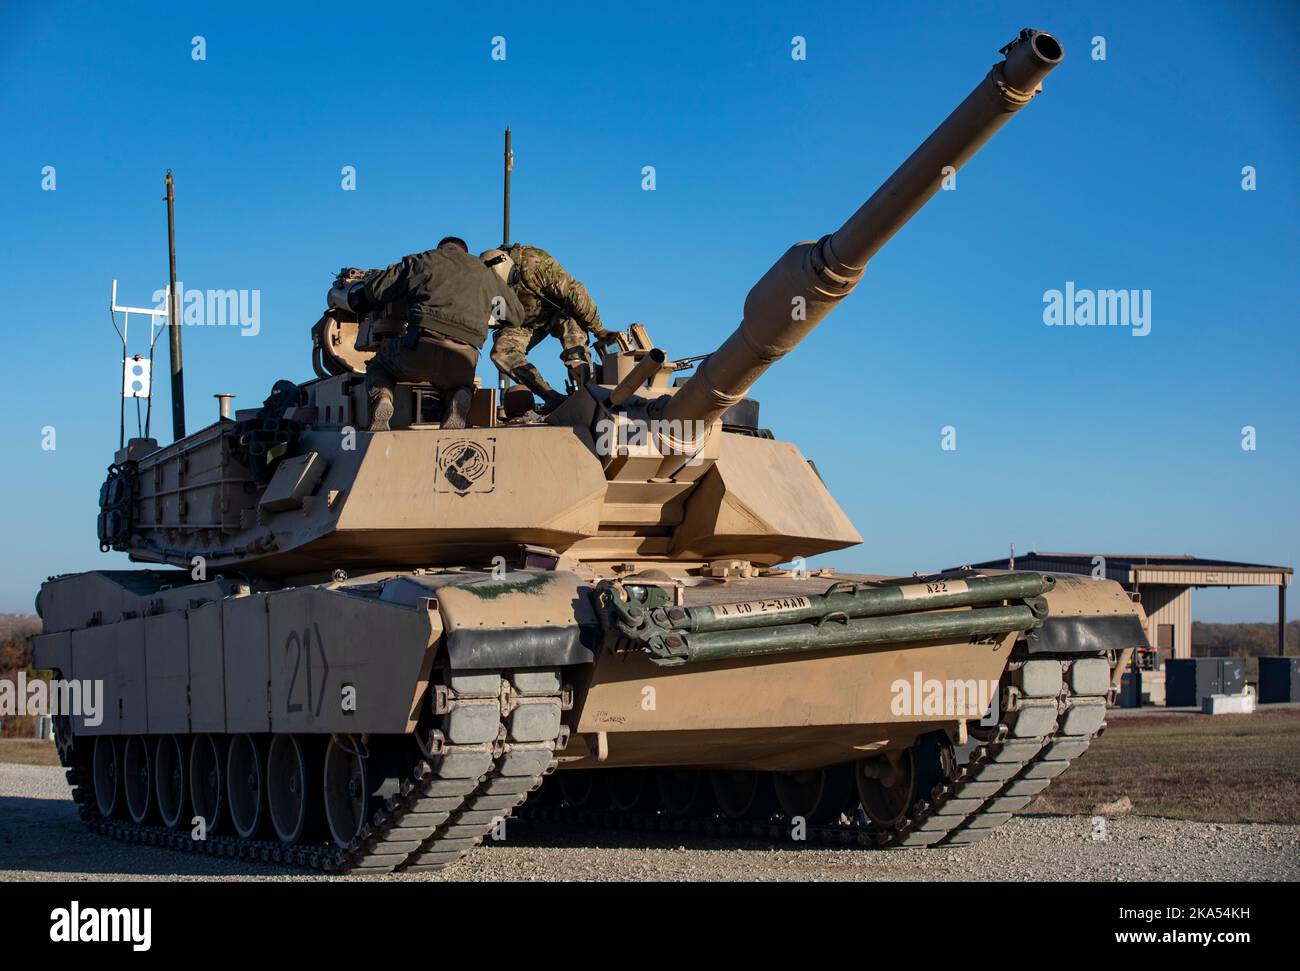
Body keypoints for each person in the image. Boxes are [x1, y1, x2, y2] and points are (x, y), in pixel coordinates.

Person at [330, 237, 523, 431]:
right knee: (456, 384)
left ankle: (383, 398)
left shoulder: (424, 260)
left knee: (378, 364)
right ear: (465, 251)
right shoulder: (486, 274)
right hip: (464, 357)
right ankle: (458, 397)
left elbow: (376, 291)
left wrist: (375, 277)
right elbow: (515, 316)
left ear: (441, 248)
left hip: (421, 348)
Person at [479, 244, 607, 410]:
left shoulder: (534, 264)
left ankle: (587, 396)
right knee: (502, 352)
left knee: (574, 346)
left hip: (558, 311)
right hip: (524, 322)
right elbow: (497, 317)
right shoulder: (483, 281)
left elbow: (574, 292)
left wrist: (598, 329)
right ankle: (551, 397)